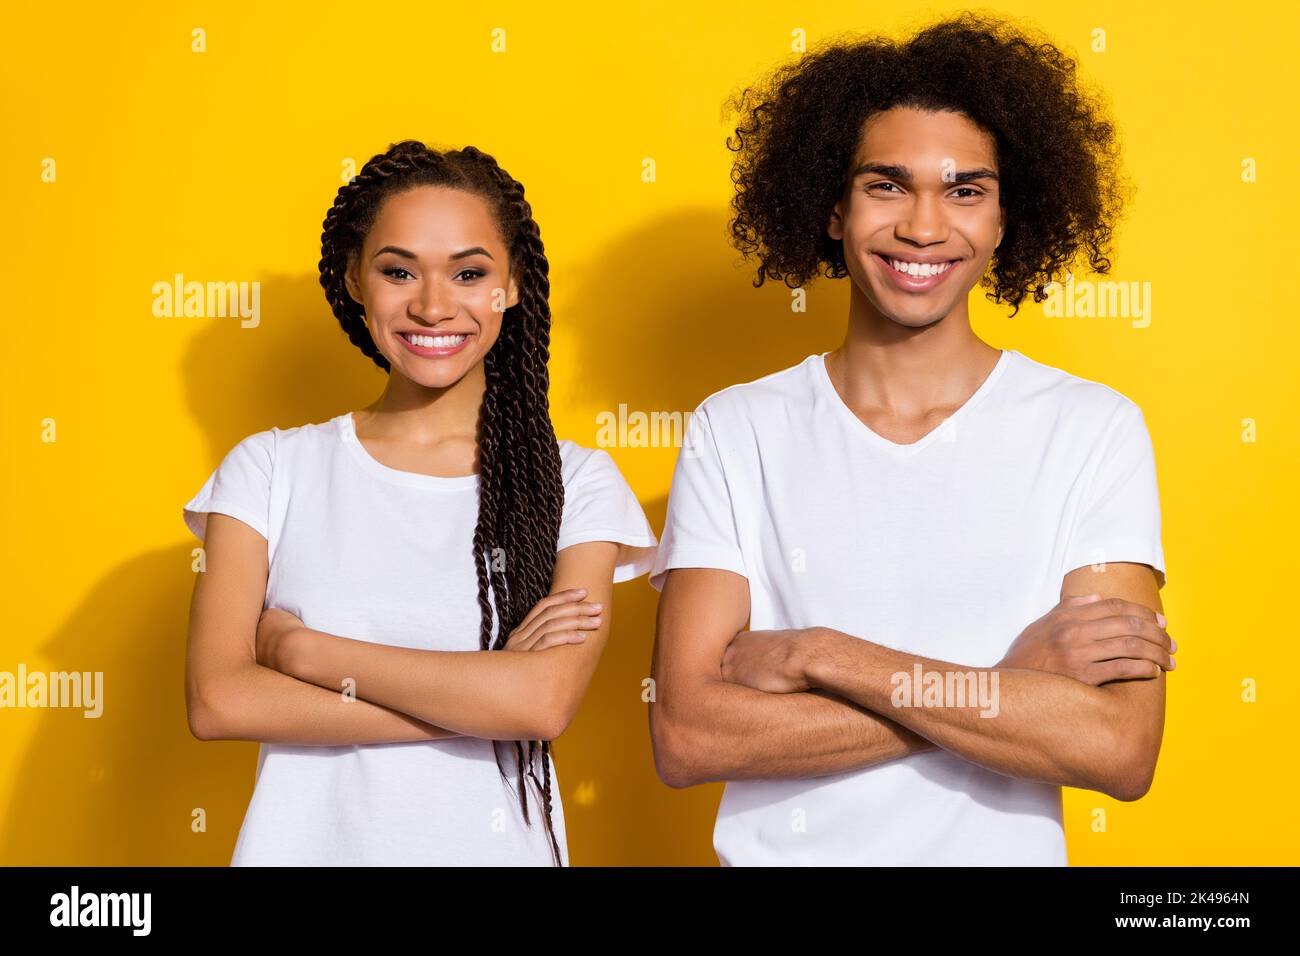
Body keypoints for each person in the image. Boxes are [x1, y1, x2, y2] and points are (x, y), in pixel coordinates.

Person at [648, 14, 1173, 865]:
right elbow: (688, 736)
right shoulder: (735, 429)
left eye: (966, 190)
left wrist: (823, 654)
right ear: (830, 206)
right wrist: (1010, 689)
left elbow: (1117, 749)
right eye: (886, 185)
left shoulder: (1093, 430)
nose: (925, 227)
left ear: (1007, 218)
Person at [183, 141, 658, 866]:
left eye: (470, 273)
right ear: (354, 281)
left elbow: (541, 704)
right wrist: (481, 702)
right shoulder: (270, 468)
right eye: (398, 270)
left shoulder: (578, 482)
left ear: (514, 285)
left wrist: (302, 651)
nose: (434, 306)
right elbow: (220, 702)